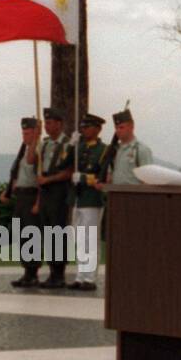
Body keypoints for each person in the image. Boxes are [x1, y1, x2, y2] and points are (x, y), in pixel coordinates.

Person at [0, 117, 43, 288]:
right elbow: (18, 176)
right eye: (23, 133)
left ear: (35, 133)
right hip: (21, 197)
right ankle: (26, 271)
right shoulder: (23, 152)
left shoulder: (39, 151)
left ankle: (32, 273)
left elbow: (40, 182)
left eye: (27, 133)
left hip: (32, 196)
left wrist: (38, 203)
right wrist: (8, 191)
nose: (24, 136)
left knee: (31, 235)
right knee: (22, 236)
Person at [35, 107, 74, 289]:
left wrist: (48, 179)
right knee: (47, 233)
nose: (47, 127)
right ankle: (52, 271)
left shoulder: (67, 144)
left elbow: (68, 172)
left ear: (59, 123)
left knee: (58, 232)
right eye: (46, 123)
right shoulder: (45, 144)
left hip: (59, 192)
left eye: (50, 123)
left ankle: (59, 273)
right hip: (46, 193)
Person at [68, 113, 108, 291]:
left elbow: (103, 177)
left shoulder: (104, 150)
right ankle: (80, 275)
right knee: (79, 239)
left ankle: (90, 278)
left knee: (90, 239)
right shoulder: (79, 147)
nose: (84, 130)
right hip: (77, 198)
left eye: (88, 127)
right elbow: (64, 163)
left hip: (92, 199)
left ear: (98, 129)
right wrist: (70, 145)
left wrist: (83, 178)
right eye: (83, 127)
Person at [105, 103, 152, 185]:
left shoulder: (141, 150)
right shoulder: (114, 151)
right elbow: (110, 177)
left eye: (121, 127)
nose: (118, 130)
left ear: (131, 126)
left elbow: (148, 180)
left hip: (134, 196)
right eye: (116, 128)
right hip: (115, 195)